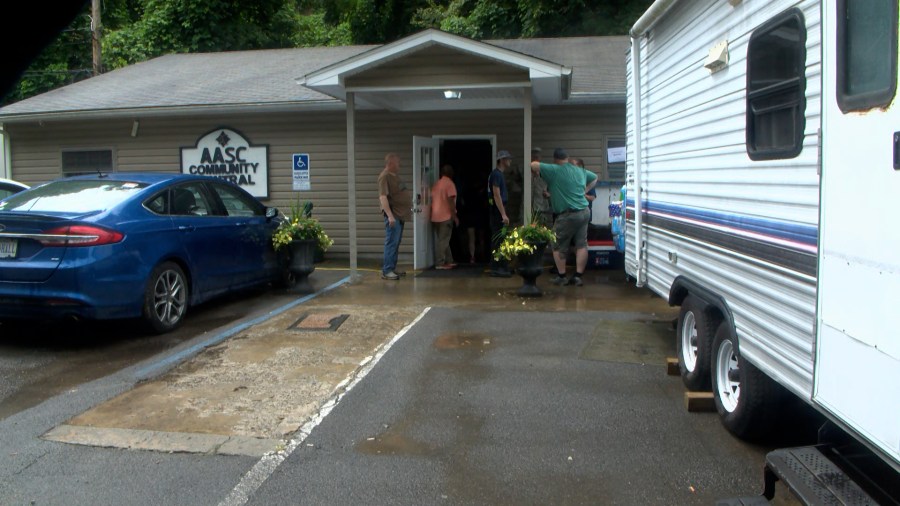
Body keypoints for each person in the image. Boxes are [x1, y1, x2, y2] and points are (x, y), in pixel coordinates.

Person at [530, 148, 597, 287]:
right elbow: (595, 177)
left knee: (557, 243)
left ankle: (562, 276)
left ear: (555, 159)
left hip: (568, 214)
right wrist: (584, 190)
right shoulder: (579, 170)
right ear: (567, 158)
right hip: (584, 212)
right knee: (581, 244)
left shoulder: (555, 169)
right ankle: (578, 276)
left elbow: (533, 165)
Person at [377, 153, 412, 280]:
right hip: (394, 215)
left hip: (400, 215)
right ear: (390, 163)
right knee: (391, 242)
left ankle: (392, 267)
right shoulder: (384, 177)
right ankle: (387, 270)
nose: (399, 165)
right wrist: (390, 216)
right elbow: (383, 197)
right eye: (397, 163)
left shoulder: (395, 176)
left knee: (396, 243)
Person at [488, 150, 513, 277]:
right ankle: (496, 267)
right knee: (498, 239)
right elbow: (496, 195)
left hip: (500, 209)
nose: (510, 161)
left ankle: (501, 265)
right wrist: (503, 214)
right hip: (498, 211)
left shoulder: (499, 174)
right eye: (508, 159)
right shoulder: (496, 175)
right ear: (502, 160)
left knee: (501, 238)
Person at [431, 164, 459, 269]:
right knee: (443, 241)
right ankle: (439, 263)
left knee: (444, 239)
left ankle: (449, 260)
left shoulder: (437, 184)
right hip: (445, 216)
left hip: (435, 216)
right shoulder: (449, 184)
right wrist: (454, 216)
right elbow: (451, 201)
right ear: (451, 173)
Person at [531, 147, 553, 228]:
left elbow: (554, 186)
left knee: (541, 228)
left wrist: (549, 194)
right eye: (533, 157)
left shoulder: (546, 171)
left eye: (537, 157)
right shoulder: (524, 170)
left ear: (540, 158)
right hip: (527, 206)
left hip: (541, 206)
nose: (535, 159)